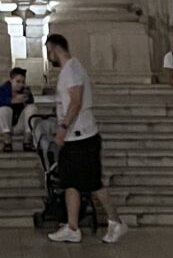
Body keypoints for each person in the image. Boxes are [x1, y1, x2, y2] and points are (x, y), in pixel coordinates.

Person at [43, 33, 126, 246]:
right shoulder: (70, 69)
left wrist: (63, 127)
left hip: (82, 135)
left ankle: (116, 221)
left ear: (55, 49)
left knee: (93, 182)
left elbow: (76, 101)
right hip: (74, 137)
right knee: (69, 181)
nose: (49, 56)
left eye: (49, 51)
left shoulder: (71, 70)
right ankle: (72, 227)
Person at [0, 68, 36, 151]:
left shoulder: (24, 91)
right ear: (11, 80)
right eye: (18, 81)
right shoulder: (4, 89)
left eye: (23, 82)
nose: (21, 84)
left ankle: (27, 141)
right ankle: (7, 142)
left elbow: (31, 104)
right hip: (0, 127)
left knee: (32, 107)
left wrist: (27, 98)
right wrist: (12, 100)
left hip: (16, 127)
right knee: (5, 109)